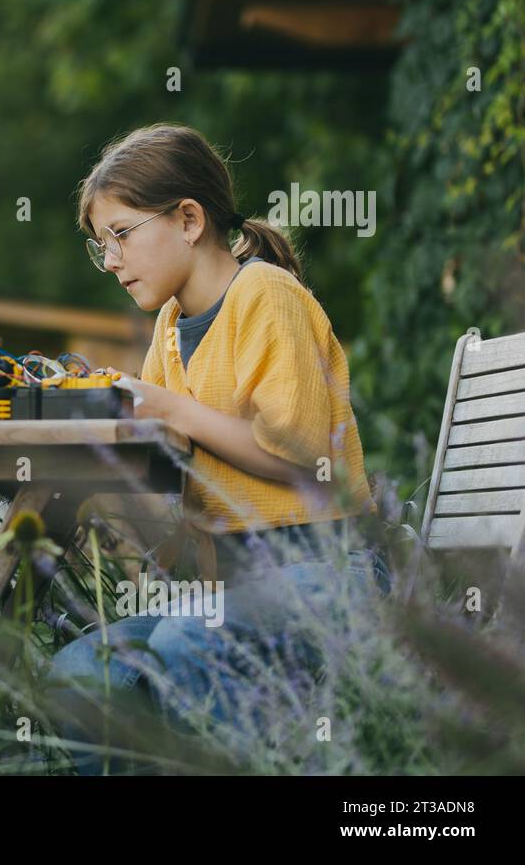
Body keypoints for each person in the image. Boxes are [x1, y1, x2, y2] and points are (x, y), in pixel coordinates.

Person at [48, 123, 390, 773]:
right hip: (232, 589)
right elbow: (169, 481)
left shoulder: (266, 296)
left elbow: (299, 456)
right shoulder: (170, 327)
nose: (112, 260)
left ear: (187, 219)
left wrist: (170, 409)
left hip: (331, 572)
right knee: (79, 669)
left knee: (186, 640)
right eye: (101, 247)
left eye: (121, 235)